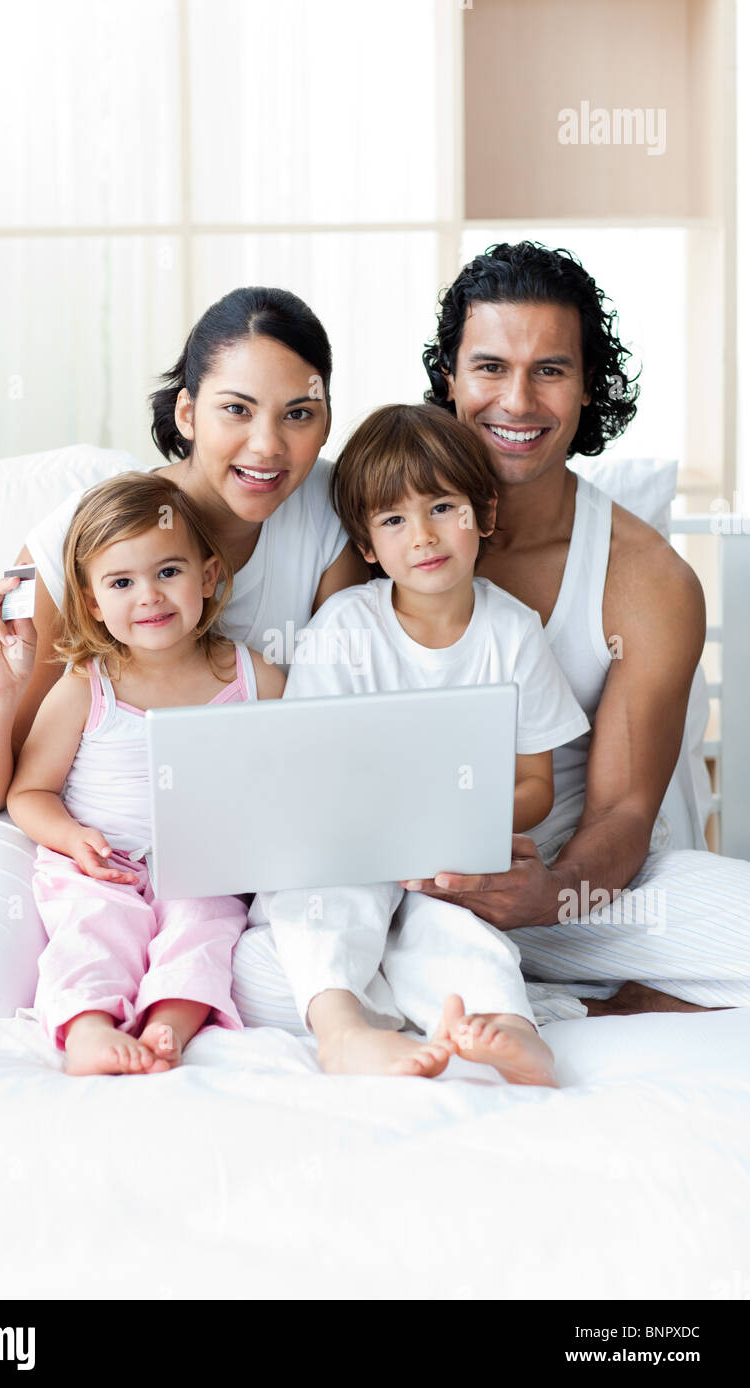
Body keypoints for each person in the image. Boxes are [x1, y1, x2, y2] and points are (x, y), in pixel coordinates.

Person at [231, 242, 750, 1026]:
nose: (517, 401)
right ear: (450, 378)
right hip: (400, 892)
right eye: (490, 367)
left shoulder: (650, 581)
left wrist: (548, 894)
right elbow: (197, 505)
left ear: (585, 390)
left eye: (550, 369)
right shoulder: (375, 513)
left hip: (571, 894)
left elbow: (622, 814)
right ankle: (551, 1007)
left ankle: (578, 993)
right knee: (264, 978)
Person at [0, 286, 367, 1023]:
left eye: (299, 414)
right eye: (236, 409)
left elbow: (328, 738)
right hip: (57, 826)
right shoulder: (80, 532)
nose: (268, 445)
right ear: (186, 413)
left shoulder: (332, 517)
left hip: (206, 861)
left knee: (285, 982)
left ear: (327, 418)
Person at [248, 404, 589, 1082]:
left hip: (452, 859)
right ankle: (343, 1031)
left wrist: (465, 829)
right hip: (352, 849)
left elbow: (536, 787)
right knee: (325, 897)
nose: (424, 536)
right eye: (395, 520)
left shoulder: (513, 632)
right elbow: (307, 771)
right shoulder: (345, 628)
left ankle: (511, 1032)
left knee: (457, 929)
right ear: (368, 545)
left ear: (482, 515)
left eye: (442, 507)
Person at [6, 471, 284, 1075]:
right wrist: (71, 839)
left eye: (168, 572)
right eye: (122, 582)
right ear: (92, 604)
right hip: (103, 865)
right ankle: (87, 1031)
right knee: (95, 931)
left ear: (208, 577)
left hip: (204, 866)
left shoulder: (254, 677)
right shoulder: (86, 687)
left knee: (206, 927)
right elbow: (29, 791)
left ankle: (169, 1025)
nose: (149, 596)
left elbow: (292, 772)